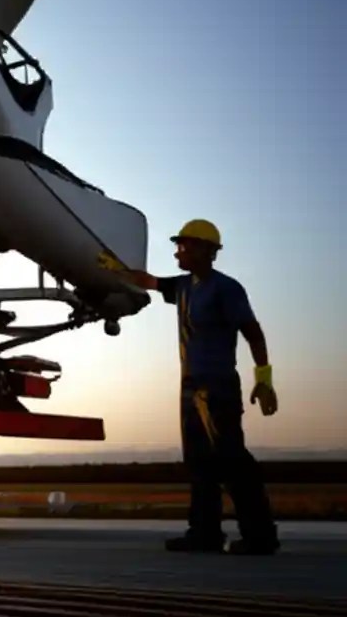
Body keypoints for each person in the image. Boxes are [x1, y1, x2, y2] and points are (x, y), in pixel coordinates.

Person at [108, 219, 281, 555]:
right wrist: (118, 270)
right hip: (190, 387)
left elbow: (253, 332)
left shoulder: (226, 289)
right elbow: (151, 282)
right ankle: (205, 533)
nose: (177, 252)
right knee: (200, 463)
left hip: (217, 387)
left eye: (184, 246)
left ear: (206, 250)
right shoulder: (185, 287)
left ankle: (260, 535)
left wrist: (264, 379)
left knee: (231, 460)